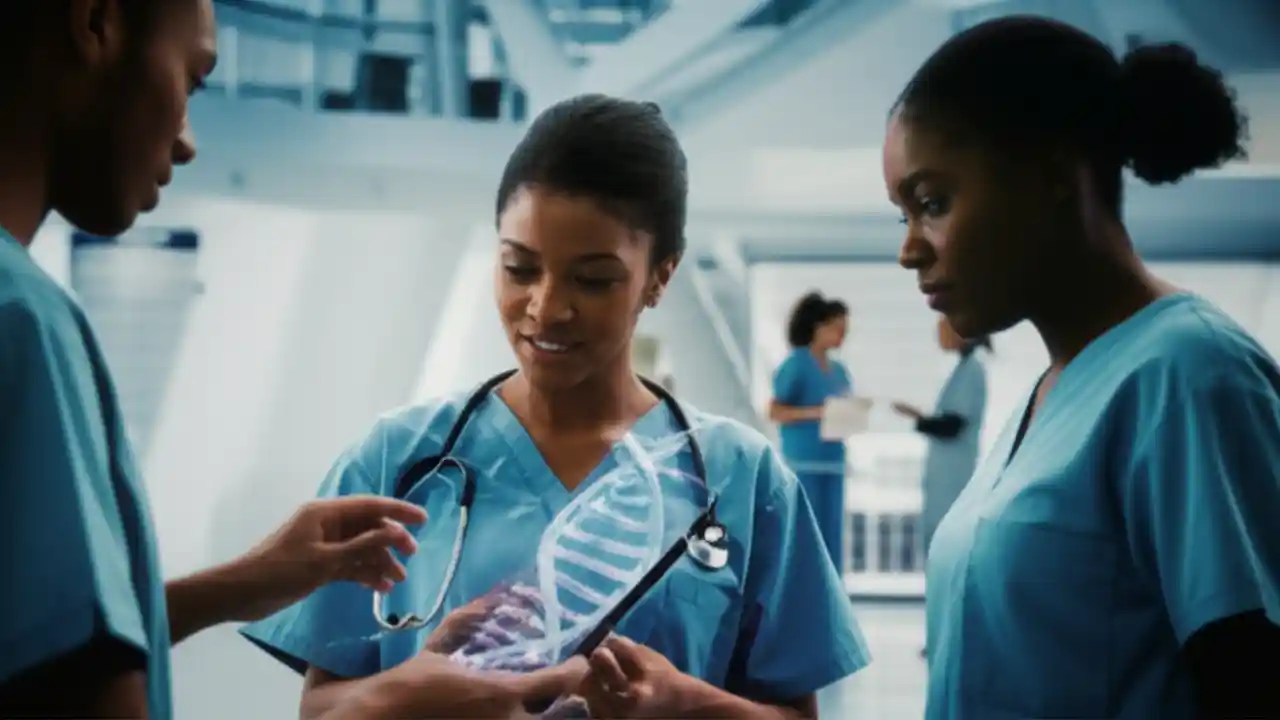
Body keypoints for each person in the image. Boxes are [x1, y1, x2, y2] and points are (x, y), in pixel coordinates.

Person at [241, 94, 871, 719]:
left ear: (660, 276)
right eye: (520, 268)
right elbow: (321, 710)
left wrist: (689, 705)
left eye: (593, 279)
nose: (545, 307)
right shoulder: (396, 460)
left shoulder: (742, 477)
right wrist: (407, 695)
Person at [0, 2, 444, 718]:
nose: (186, 144)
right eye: (193, 80)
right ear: (94, 22)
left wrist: (240, 585)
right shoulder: (26, 323)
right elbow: (73, 690)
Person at [883, 15, 1280, 720]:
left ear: (1052, 175)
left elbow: (1253, 682)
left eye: (933, 203)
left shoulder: (1190, 373)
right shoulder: (1050, 393)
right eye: (903, 216)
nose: (909, 249)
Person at [768, 292, 854, 571]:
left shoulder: (840, 370)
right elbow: (776, 411)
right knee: (806, 535)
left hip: (832, 463)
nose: (843, 334)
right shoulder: (796, 364)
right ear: (817, 327)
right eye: (837, 327)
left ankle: (831, 600)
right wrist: (817, 413)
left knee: (832, 535)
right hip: (803, 464)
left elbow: (842, 409)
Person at [892, 316, 989, 557]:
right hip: (946, 474)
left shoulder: (972, 369)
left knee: (948, 544)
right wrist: (920, 417)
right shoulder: (962, 368)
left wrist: (920, 420)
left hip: (953, 475)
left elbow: (952, 426)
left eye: (942, 330)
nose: (938, 337)